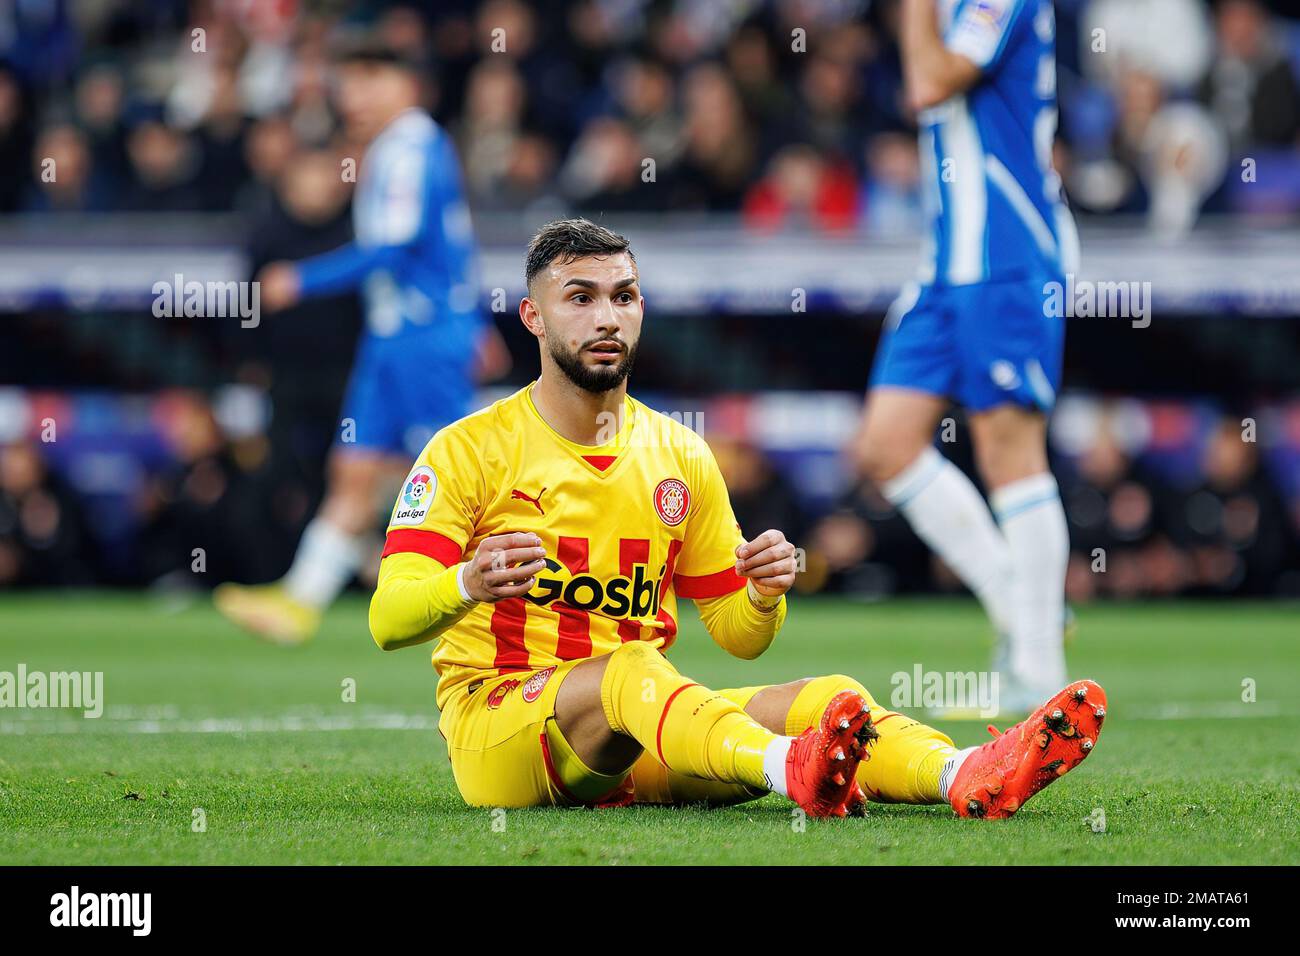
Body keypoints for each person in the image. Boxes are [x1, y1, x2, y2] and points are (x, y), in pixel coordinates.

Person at [368, 218, 1105, 817]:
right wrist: (466, 581)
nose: (606, 317)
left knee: (826, 697)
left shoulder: (680, 454)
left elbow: (739, 639)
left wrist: (761, 594)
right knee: (632, 668)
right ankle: (792, 770)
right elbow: (388, 619)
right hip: (500, 729)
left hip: (639, 728)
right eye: (580, 298)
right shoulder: (466, 449)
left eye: (623, 297)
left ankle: (969, 772)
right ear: (533, 316)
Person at [215, 39, 499, 643]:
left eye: (373, 79)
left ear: (408, 86)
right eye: (351, 81)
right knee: (353, 469)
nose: (357, 95)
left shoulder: (411, 147)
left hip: (422, 336)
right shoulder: (396, 149)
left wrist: (303, 278)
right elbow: (447, 245)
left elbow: (394, 248)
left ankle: (539, 590)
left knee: (464, 480)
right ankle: (299, 602)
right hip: (394, 335)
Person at [856, 0, 1079, 710]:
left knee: (1008, 451)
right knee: (885, 446)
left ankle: (1039, 666)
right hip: (945, 263)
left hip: (1007, 256)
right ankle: (1025, 611)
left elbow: (929, 81)